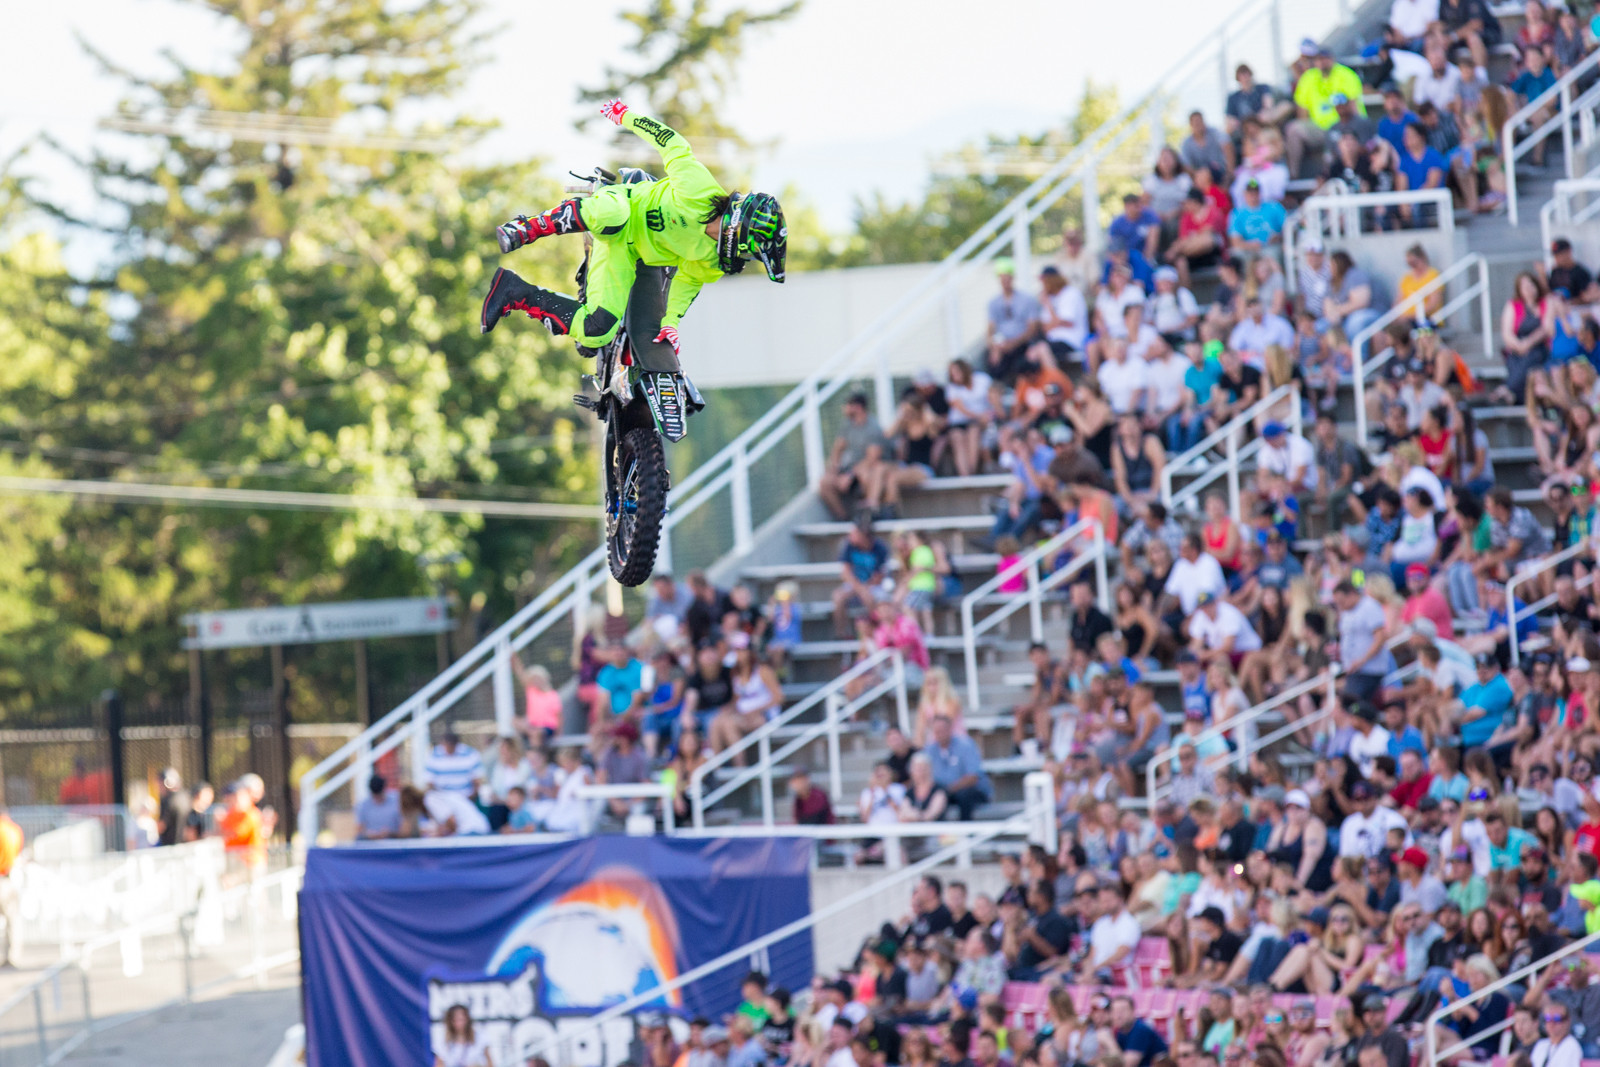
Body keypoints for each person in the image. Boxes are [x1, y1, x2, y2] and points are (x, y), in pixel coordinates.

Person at [481, 100, 785, 359]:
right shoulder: (698, 188)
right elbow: (670, 141)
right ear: (741, 227)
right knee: (614, 215)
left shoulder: (714, 261)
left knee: (597, 331)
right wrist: (624, 114)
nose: (749, 256)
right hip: (619, 206)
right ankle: (526, 227)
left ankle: (514, 291)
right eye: (753, 248)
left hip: (625, 254)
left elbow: (688, 284)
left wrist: (671, 323)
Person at [986, 258, 1043, 383]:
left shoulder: (1026, 299)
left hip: (1021, 343)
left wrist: (1013, 343)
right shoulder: (993, 303)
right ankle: (1000, 390)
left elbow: (1032, 328)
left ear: (1012, 278)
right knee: (991, 360)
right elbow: (990, 329)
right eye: (1002, 277)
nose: (1005, 280)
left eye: (1007, 277)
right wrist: (994, 348)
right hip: (1002, 344)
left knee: (1020, 359)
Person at [925, 714, 991, 821]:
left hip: (970, 791)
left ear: (950, 729)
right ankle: (937, 834)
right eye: (937, 731)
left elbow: (973, 777)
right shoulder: (930, 750)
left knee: (964, 795)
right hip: (945, 792)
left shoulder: (965, 745)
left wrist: (947, 790)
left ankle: (967, 832)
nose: (939, 734)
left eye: (942, 730)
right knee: (931, 797)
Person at [435, 1003, 494, 1067]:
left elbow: (490, 1062)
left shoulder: (480, 1038)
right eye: (455, 1020)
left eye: (461, 1019)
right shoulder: (443, 1042)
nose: (459, 1023)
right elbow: (439, 1064)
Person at [356, 774, 402, 840]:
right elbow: (360, 830)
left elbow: (405, 830)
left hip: (393, 841)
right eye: (375, 796)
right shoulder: (363, 805)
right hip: (370, 844)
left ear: (384, 789)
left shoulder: (397, 800)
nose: (378, 799)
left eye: (380, 795)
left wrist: (390, 833)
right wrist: (370, 835)